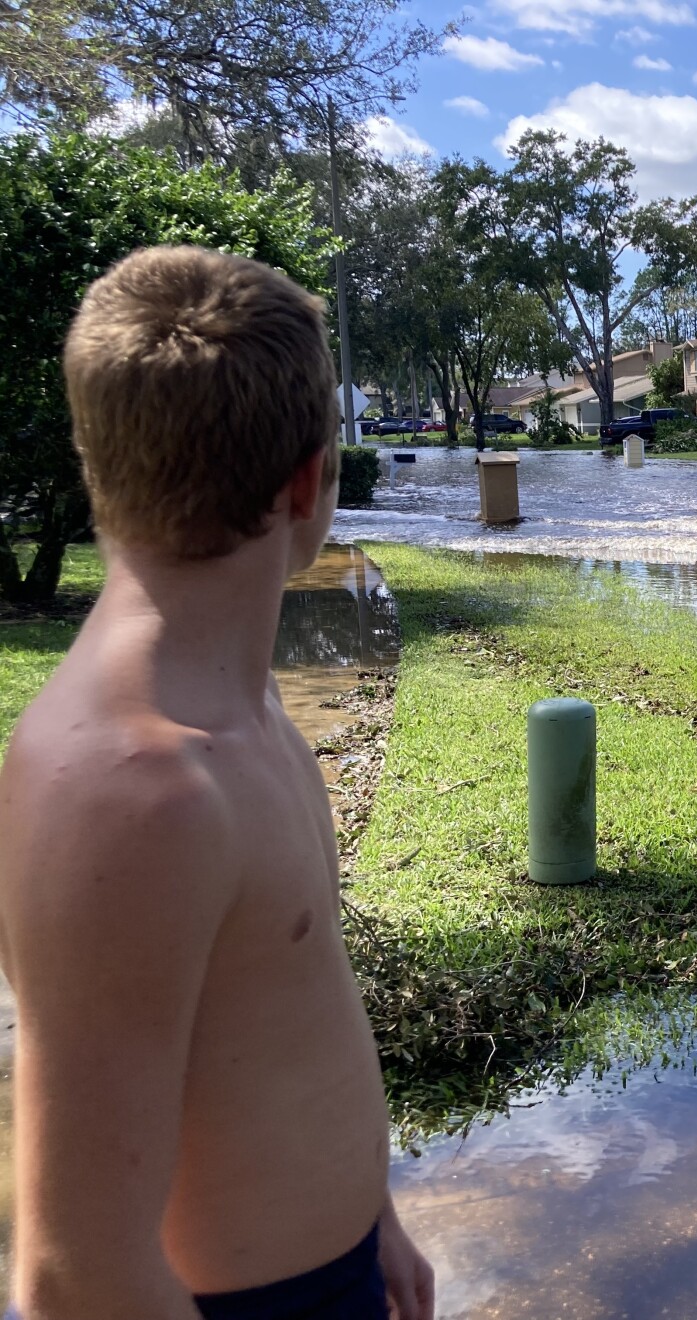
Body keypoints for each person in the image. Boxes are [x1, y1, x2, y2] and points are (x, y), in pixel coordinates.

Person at [0, 246, 434, 1319]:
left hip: (335, 1274)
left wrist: (371, 1212)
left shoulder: (241, 710)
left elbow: (280, 1014)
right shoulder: (134, 792)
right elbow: (75, 1274)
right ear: (306, 481)